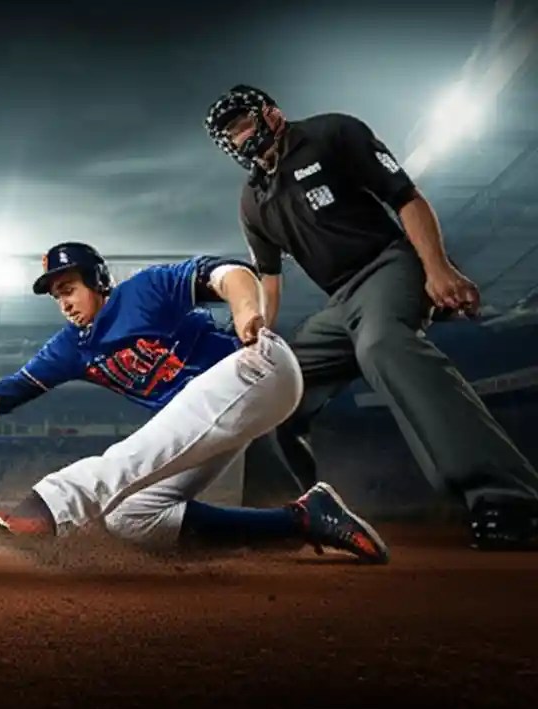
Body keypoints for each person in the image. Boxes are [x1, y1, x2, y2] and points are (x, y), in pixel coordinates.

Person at [203, 84, 538, 550]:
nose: (239, 137)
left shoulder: (331, 133)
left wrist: (437, 268)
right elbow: (270, 280)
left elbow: (407, 198)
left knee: (381, 343)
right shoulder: (252, 200)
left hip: (387, 266)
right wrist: (259, 332)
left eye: (242, 122)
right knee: (267, 384)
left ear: (271, 113)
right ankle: (282, 517)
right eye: (229, 133)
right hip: (339, 301)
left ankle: (508, 496)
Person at [0, 242, 388, 562]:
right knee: (133, 517)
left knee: (129, 456)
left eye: (69, 288)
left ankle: (57, 502)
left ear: (97, 281)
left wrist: (247, 312)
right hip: (220, 411)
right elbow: (6, 393)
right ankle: (303, 520)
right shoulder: (71, 347)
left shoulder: (145, 290)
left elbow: (230, 272)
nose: (65, 303)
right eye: (57, 296)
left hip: (256, 366)